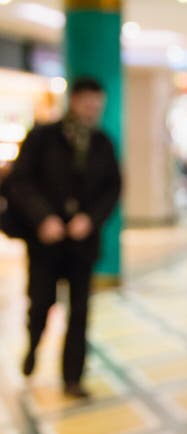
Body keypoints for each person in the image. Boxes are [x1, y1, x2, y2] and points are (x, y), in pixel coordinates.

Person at [3, 77, 122, 398]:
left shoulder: (102, 144)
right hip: (46, 242)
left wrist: (90, 219)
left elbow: (113, 188)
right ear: (75, 101)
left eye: (97, 106)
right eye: (87, 104)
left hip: (82, 245)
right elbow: (19, 182)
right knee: (41, 303)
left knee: (80, 311)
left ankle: (73, 377)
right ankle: (33, 346)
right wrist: (43, 218)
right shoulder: (43, 137)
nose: (92, 111)